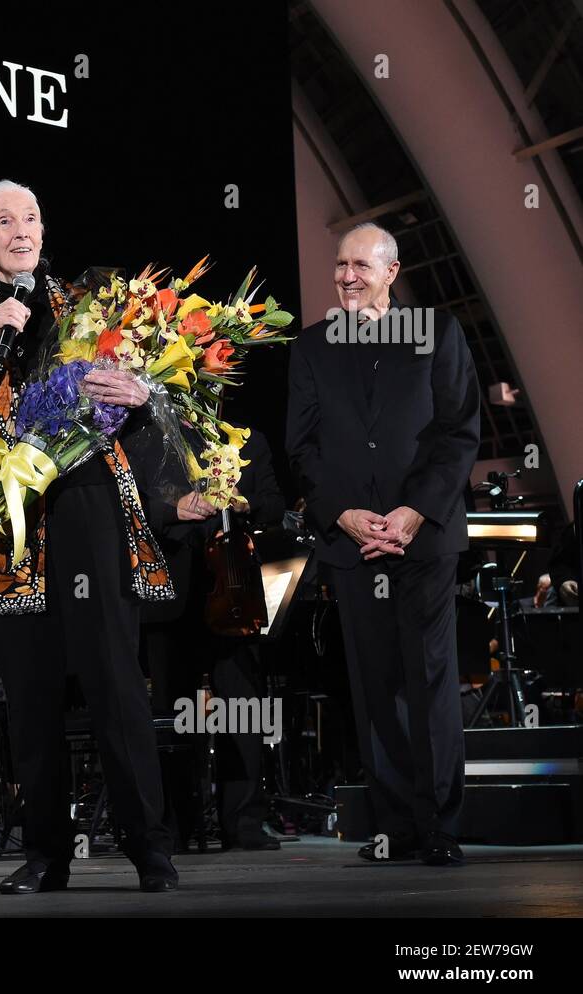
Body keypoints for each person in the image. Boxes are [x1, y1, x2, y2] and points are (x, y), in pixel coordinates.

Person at [0, 179, 178, 894]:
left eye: (33, 216)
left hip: (87, 506)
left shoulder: (91, 304)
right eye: (5, 221)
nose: (23, 229)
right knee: (31, 692)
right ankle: (46, 851)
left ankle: (149, 847)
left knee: (113, 682)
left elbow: (140, 401)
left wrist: (143, 396)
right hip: (13, 523)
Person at [286, 222, 479, 866]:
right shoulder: (311, 347)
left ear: (391, 273)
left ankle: (439, 827)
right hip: (351, 545)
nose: (347, 276)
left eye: (361, 266)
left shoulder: (439, 334)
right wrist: (342, 512)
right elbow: (302, 448)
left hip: (422, 542)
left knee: (429, 682)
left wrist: (414, 512)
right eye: (340, 264)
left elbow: (457, 435)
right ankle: (393, 826)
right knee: (374, 690)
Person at [132, 425, 287, 851]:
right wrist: (174, 508)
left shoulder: (248, 438)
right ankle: (177, 825)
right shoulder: (150, 434)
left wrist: (244, 503)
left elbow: (275, 504)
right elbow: (129, 504)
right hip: (172, 594)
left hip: (232, 587)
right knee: (174, 712)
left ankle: (243, 821)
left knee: (241, 708)